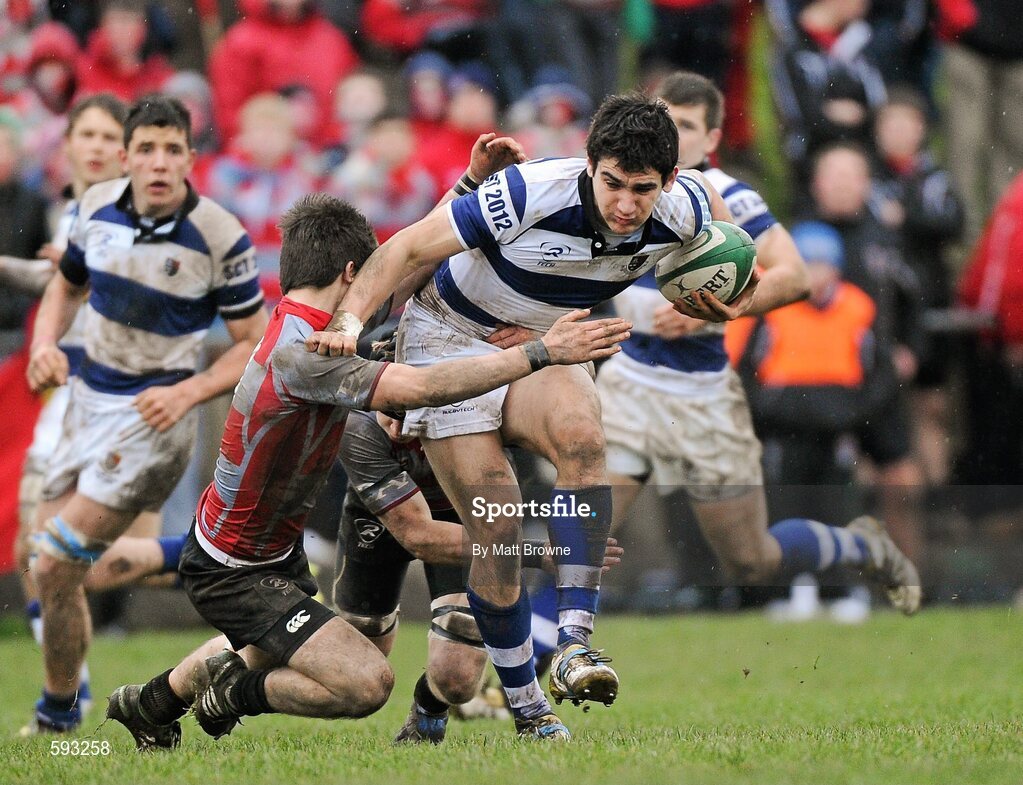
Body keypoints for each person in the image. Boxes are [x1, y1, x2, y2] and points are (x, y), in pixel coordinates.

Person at [103, 192, 631, 751]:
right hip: (237, 566)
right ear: (351, 273)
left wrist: (470, 186)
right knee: (365, 683)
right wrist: (541, 352)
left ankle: (151, 704)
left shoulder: (328, 324)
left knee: (263, 644)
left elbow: (412, 255)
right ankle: (236, 694)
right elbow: (425, 388)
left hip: (264, 550)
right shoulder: (304, 352)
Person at [304, 92, 737, 740]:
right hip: (448, 338)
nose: (624, 203)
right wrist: (347, 320)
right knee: (497, 522)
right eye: (611, 183)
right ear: (588, 165)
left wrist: (731, 297)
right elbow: (408, 247)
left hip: (542, 338)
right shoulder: (529, 193)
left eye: (641, 189)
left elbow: (733, 258)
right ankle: (528, 704)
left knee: (583, 440)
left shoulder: (686, 207)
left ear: (668, 182)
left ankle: (574, 643)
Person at [591, 71, 918, 620]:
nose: (672, 133)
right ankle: (514, 680)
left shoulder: (733, 199)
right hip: (627, 388)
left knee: (751, 560)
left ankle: (862, 544)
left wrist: (721, 310)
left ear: (713, 140)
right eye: (664, 119)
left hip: (702, 397)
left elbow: (795, 277)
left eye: (687, 125)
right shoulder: (624, 188)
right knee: (573, 542)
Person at [25, 95, 270, 734]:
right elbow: (68, 285)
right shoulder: (94, 210)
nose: (159, 163)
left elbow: (255, 340)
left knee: (56, 561)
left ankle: (58, 717)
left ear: (190, 157)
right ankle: (62, 712)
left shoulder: (219, 235)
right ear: (127, 157)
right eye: (147, 150)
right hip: (85, 404)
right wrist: (45, 344)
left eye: (172, 150)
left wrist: (188, 393)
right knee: (49, 572)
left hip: (154, 416)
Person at [333, 390, 623, 744]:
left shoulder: (478, 408)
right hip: (383, 520)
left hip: (465, 515)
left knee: (456, 680)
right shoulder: (359, 427)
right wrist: (537, 554)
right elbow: (420, 535)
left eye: (405, 413)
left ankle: (428, 710)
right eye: (387, 411)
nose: (395, 427)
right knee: (357, 669)